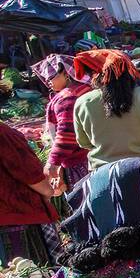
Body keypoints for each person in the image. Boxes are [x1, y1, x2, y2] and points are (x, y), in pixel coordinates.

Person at [71, 49, 140, 169]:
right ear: (129, 71)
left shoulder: (83, 103)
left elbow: (84, 142)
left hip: (108, 173)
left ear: (95, 75)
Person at [0, 117, 64, 264]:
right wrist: (48, 191)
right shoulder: (3, 134)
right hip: (21, 217)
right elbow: (30, 174)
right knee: (34, 277)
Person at [33, 53, 93, 189]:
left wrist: (53, 162)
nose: (48, 81)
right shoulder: (84, 89)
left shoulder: (67, 98)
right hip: (92, 155)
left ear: (66, 74)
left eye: (52, 77)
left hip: (79, 161)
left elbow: (67, 133)